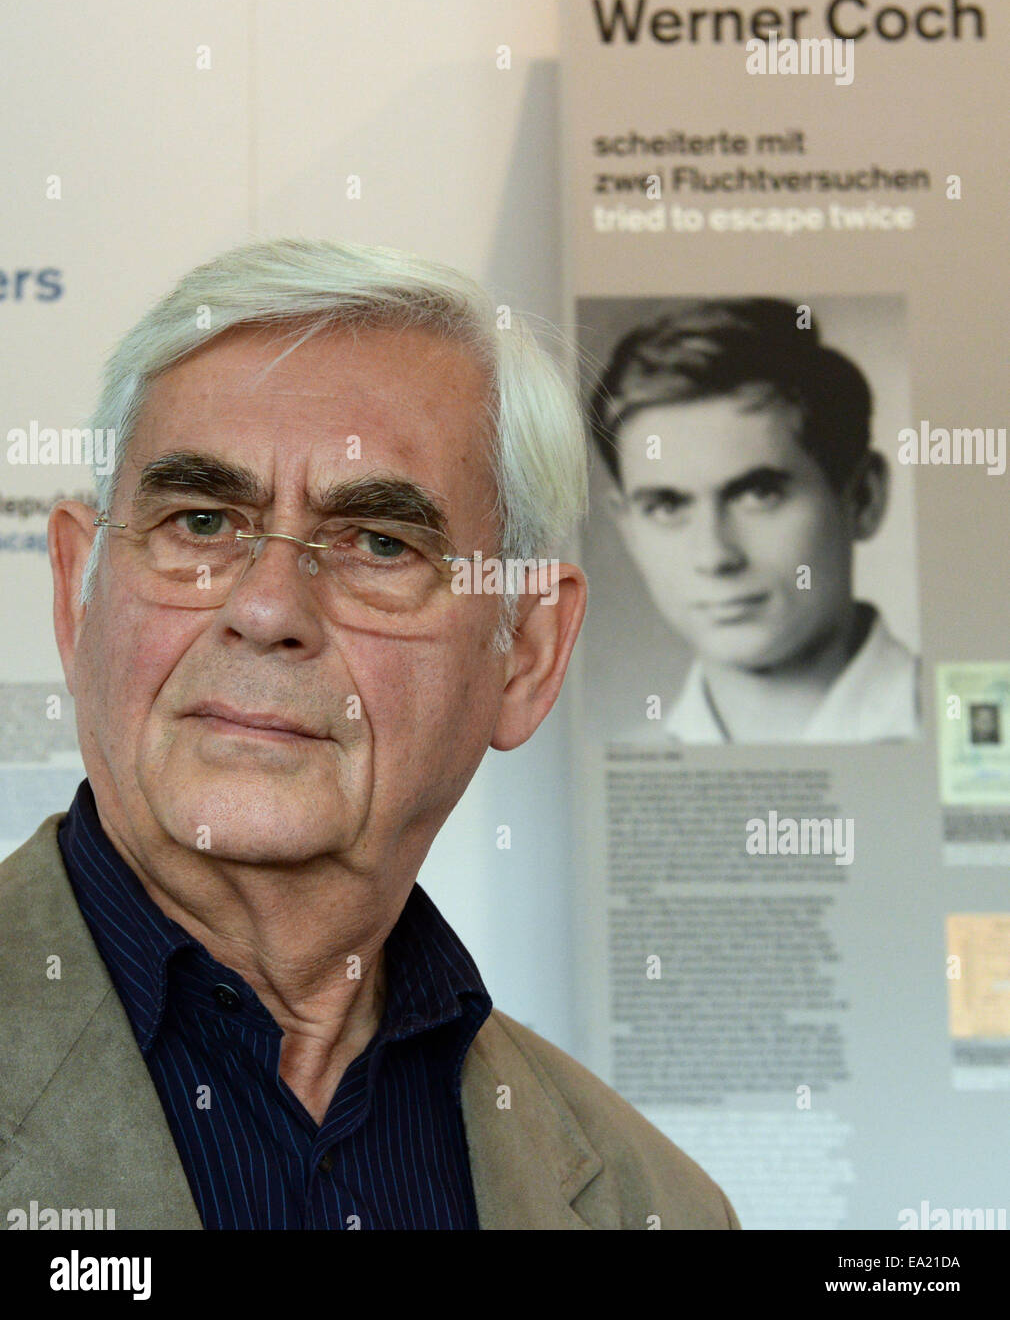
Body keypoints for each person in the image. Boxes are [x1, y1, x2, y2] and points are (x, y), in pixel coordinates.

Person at [0, 238, 738, 1231]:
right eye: (202, 522)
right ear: (78, 594)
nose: (265, 609)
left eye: (378, 544)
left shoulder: (651, 1204)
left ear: (521, 653)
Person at [588, 299, 919, 744]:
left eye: (759, 495)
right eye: (667, 507)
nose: (715, 555)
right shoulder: (616, 767)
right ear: (629, 530)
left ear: (863, 498)